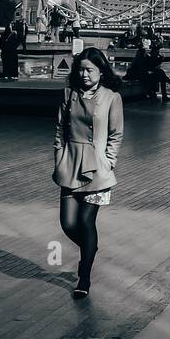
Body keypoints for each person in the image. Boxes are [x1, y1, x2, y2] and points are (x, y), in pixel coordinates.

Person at [53, 48, 124, 298]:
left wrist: (109, 161)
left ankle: (84, 276)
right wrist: (59, 159)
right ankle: (90, 250)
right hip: (70, 165)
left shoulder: (111, 98)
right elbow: (60, 131)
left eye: (89, 70)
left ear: (101, 71)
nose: (84, 74)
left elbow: (116, 135)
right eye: (80, 69)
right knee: (68, 224)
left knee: (85, 222)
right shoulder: (68, 94)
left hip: (97, 168)